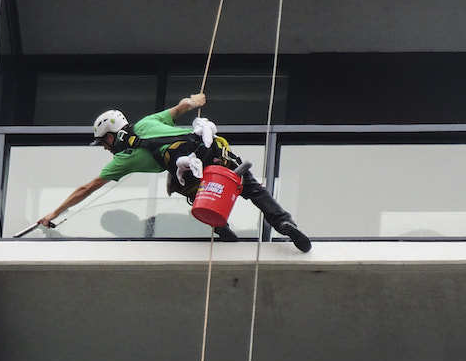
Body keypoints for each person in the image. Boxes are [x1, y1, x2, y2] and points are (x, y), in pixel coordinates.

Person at [35, 93, 312, 252]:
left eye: (104, 142)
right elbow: (181, 108)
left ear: (111, 135)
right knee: (252, 189)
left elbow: (87, 188)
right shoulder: (147, 122)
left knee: (182, 187)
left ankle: (220, 226)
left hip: (195, 177)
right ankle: (284, 224)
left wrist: (53, 213)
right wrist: (195, 100)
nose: (105, 148)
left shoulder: (124, 158)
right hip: (215, 152)